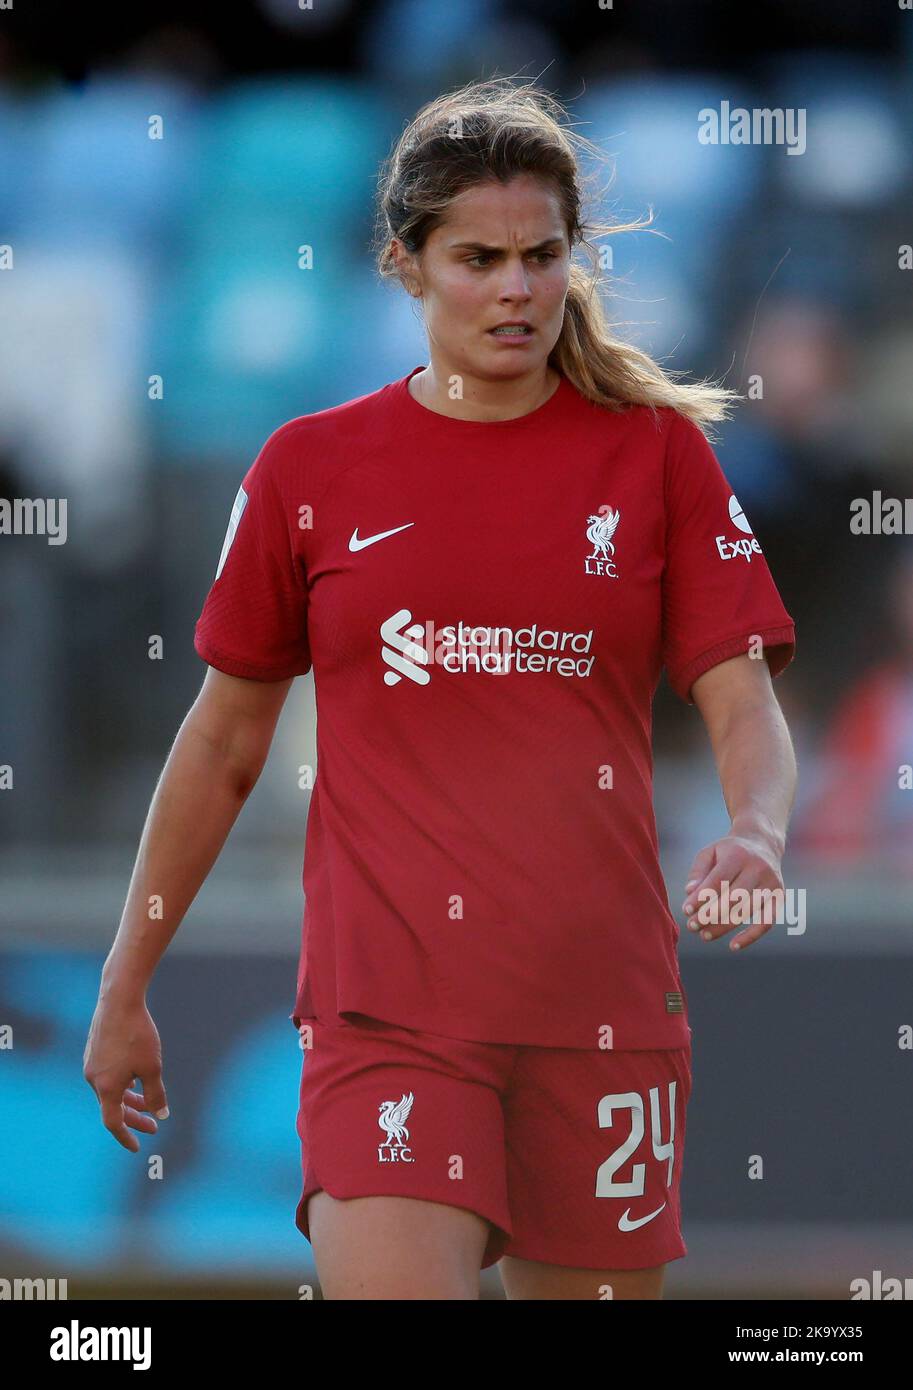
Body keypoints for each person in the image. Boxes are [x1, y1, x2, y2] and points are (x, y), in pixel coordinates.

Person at [84, 77, 798, 1301]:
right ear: (404, 264)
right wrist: (125, 982)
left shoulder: (656, 456)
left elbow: (742, 701)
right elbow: (220, 747)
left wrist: (755, 832)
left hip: (604, 1012)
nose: (515, 289)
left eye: (540, 256)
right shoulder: (309, 468)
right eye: (477, 258)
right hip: (389, 1017)